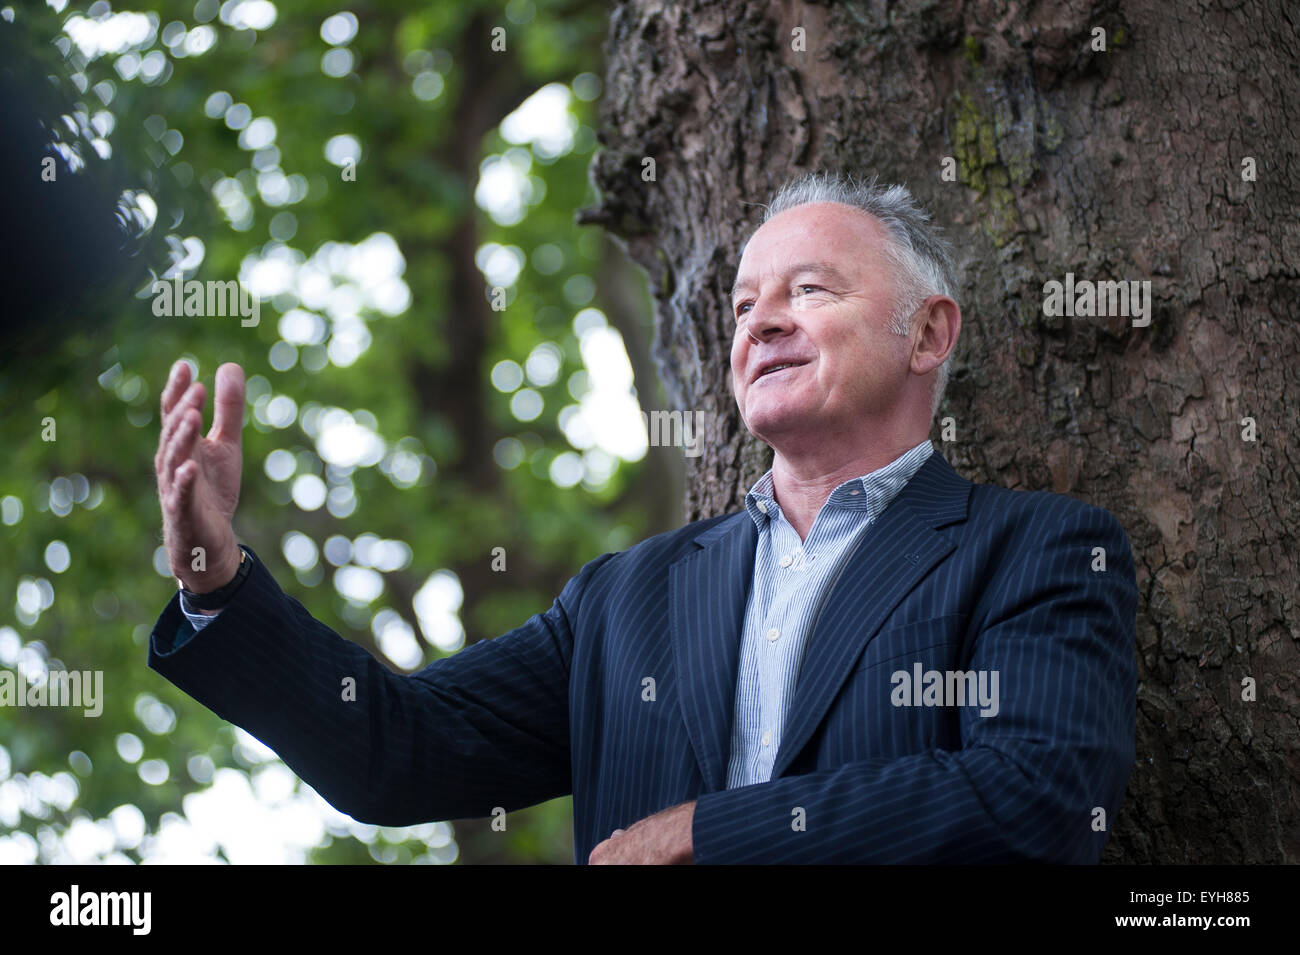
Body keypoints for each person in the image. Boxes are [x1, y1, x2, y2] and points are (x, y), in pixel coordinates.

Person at [150, 172, 1137, 864]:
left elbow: (1040, 795)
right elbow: (395, 753)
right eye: (744, 304)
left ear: (927, 332)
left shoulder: (1037, 550)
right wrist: (216, 581)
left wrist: (709, 832)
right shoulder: (627, 599)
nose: (760, 322)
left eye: (809, 289)